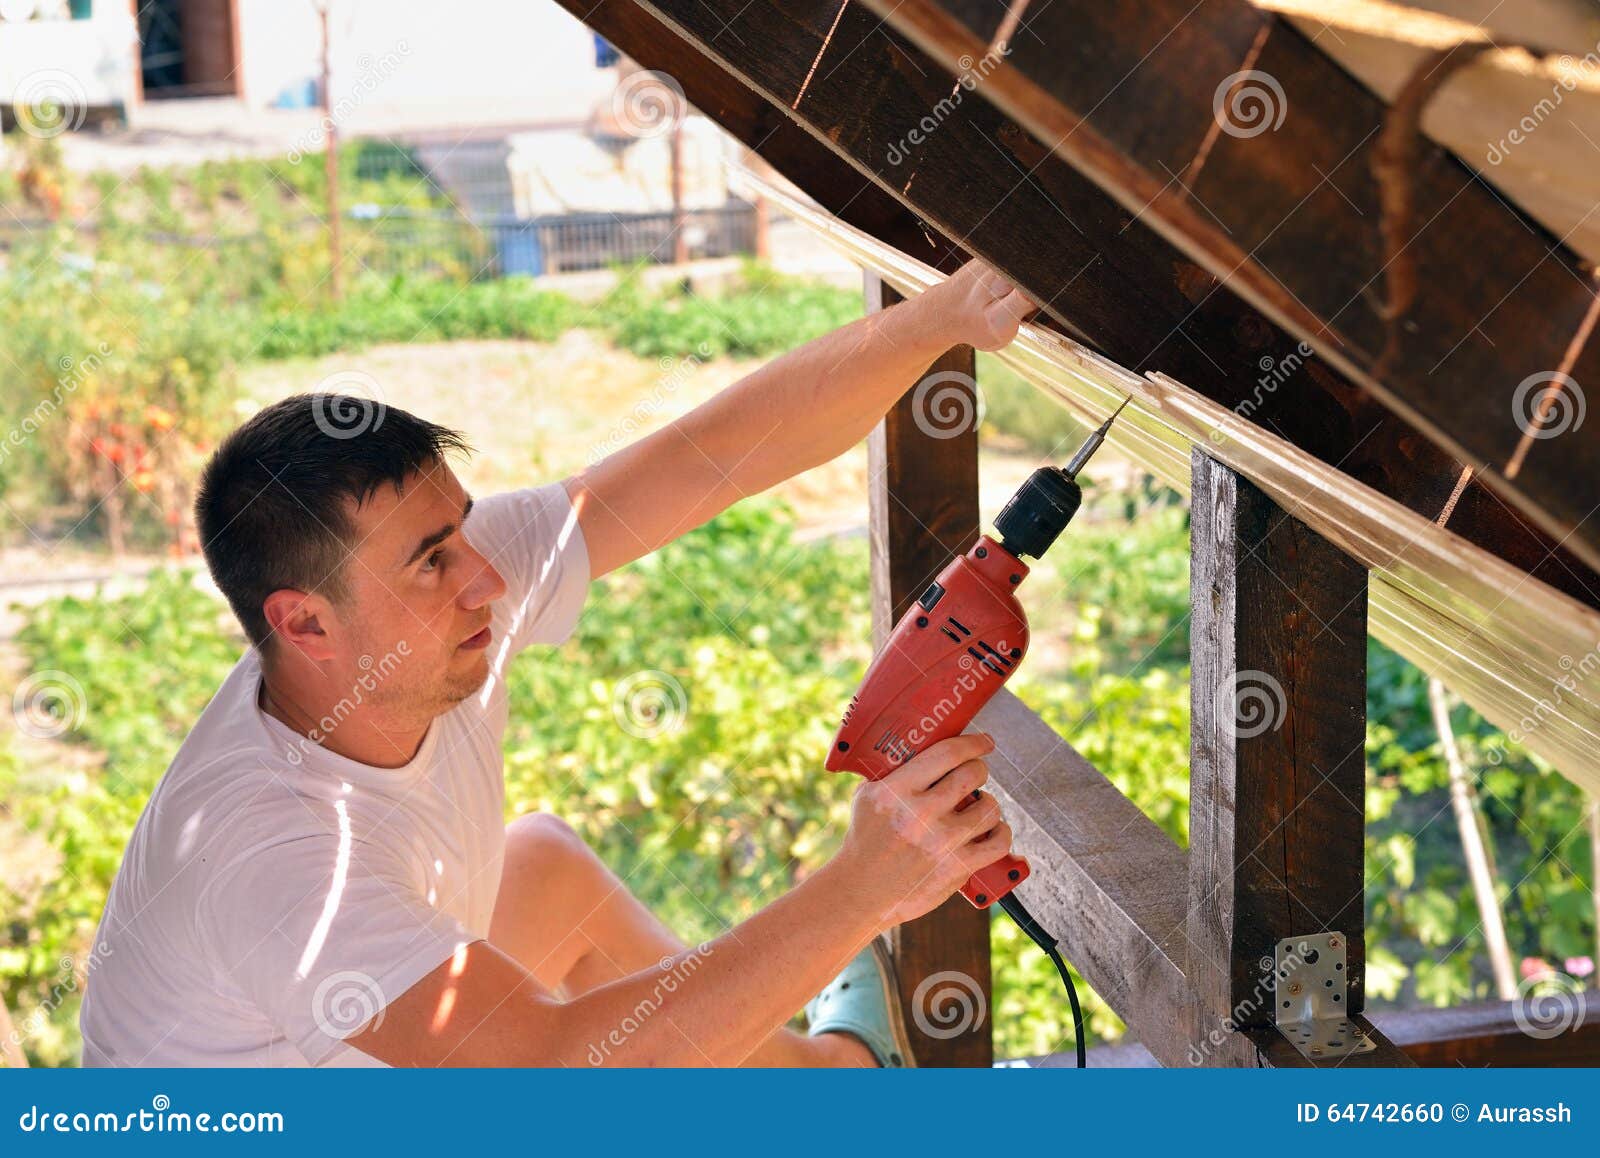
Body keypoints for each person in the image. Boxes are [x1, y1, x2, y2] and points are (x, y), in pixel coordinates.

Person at [79, 261, 1037, 1067]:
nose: (486, 579)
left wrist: (941, 319)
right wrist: (858, 893)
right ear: (306, 625)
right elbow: (556, 1080)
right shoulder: (281, 863)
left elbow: (716, 455)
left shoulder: (412, 614)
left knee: (542, 871)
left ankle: (831, 1082)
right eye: (431, 562)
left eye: (459, 529)